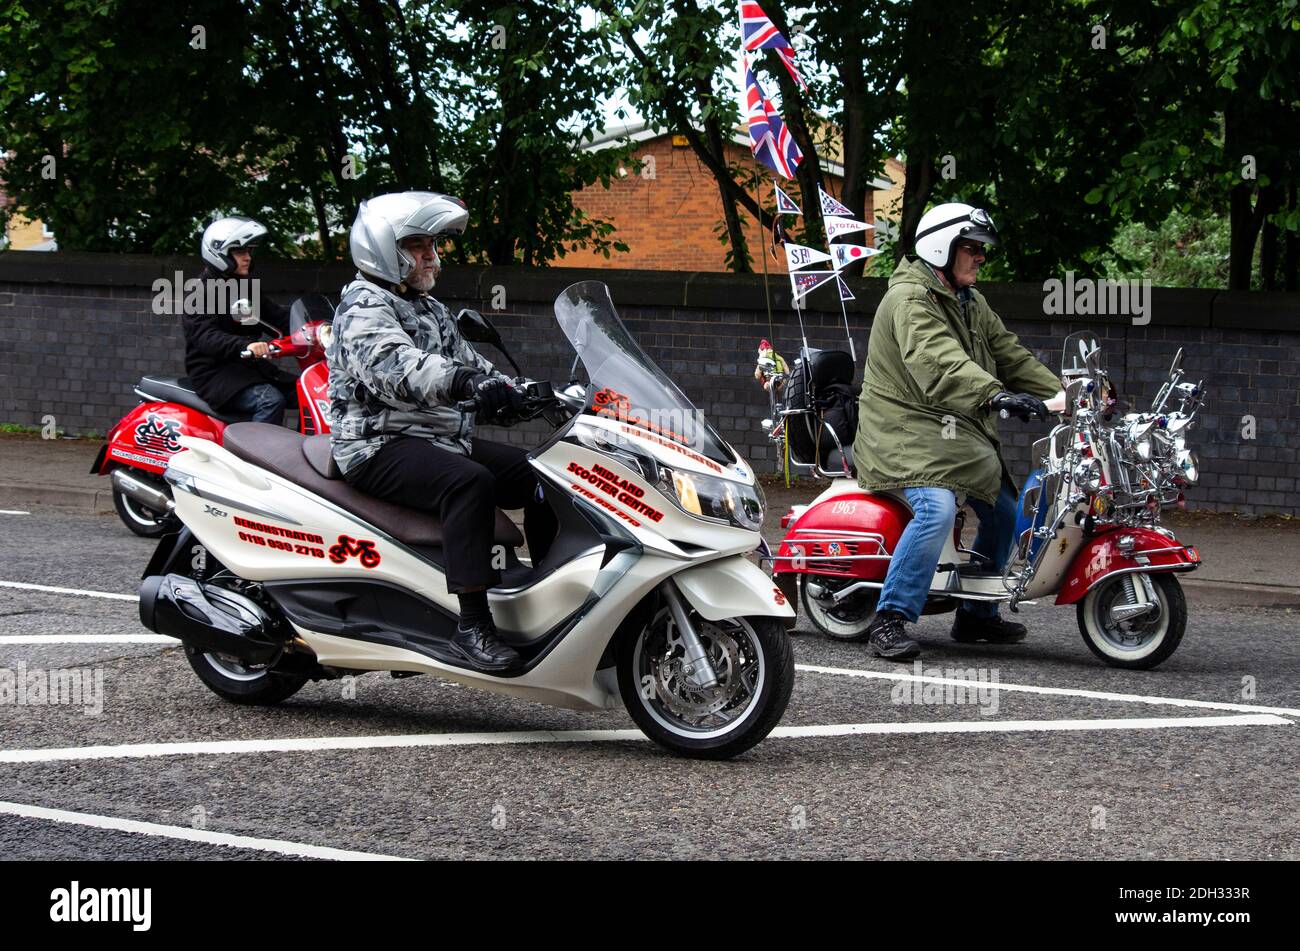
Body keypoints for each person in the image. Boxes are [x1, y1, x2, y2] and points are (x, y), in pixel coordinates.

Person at [326, 191, 557, 672]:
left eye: (432, 244)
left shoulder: (428, 307)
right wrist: (465, 383)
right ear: (382, 249)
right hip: (376, 442)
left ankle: (548, 590)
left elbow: (474, 367)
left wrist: (536, 395)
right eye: (416, 245)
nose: (431, 255)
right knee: (468, 481)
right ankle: (471, 627)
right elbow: (398, 367)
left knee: (548, 472)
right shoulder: (363, 306)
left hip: (438, 436)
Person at [852, 203, 1064, 660]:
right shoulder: (910, 299)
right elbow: (937, 360)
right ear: (941, 247)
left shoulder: (970, 301)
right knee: (937, 510)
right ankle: (890, 619)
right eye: (972, 248)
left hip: (948, 431)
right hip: (901, 429)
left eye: (981, 249)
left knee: (1007, 508)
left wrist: (1065, 394)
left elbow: (1009, 353)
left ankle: (975, 615)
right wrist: (996, 395)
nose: (980, 258)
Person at [181, 217, 297, 424]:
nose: (248, 258)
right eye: (240, 252)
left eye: (249, 251)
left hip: (250, 370)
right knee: (269, 400)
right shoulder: (199, 291)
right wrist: (246, 345)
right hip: (215, 374)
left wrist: (316, 328)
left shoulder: (245, 287)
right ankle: (256, 455)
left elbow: (276, 317)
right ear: (219, 253)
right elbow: (206, 336)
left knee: (306, 392)